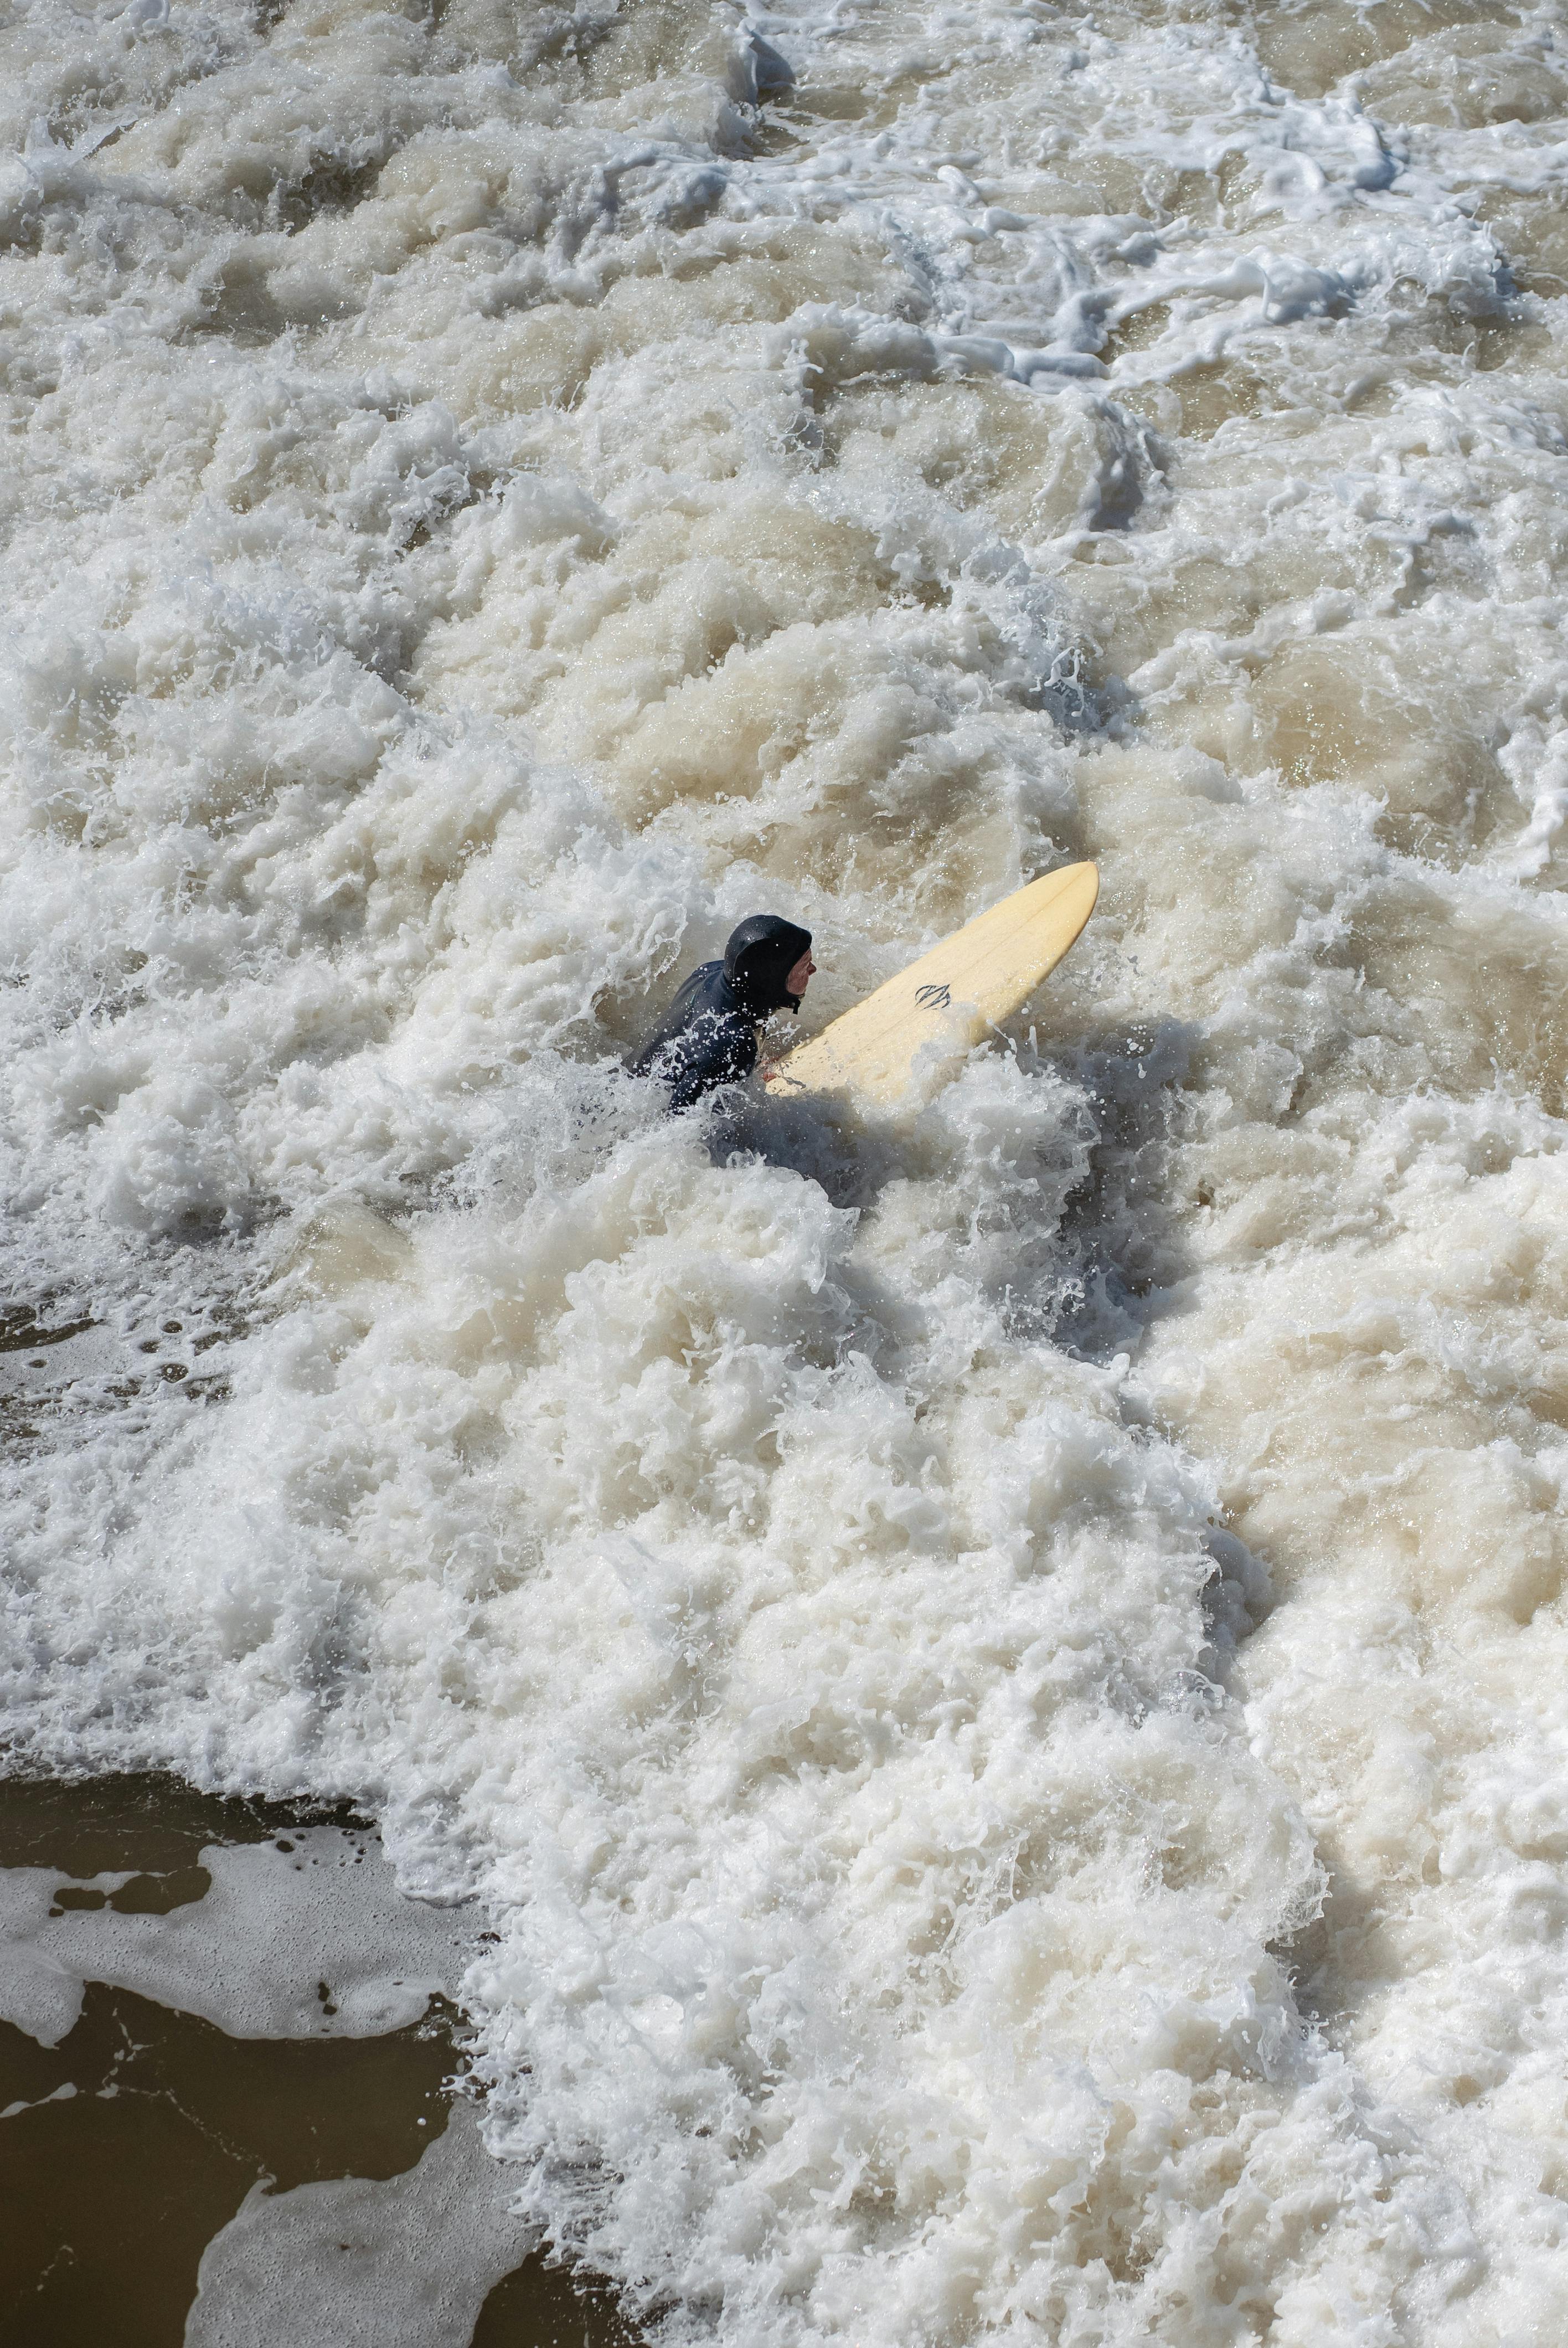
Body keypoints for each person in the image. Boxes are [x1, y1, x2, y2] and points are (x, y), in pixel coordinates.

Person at [628, 914, 815, 1111]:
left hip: (624, 1085)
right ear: (772, 981)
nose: (813, 970)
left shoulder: (713, 971)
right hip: (626, 1125)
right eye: (804, 966)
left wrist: (753, 1069)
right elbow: (682, 1136)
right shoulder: (733, 1045)